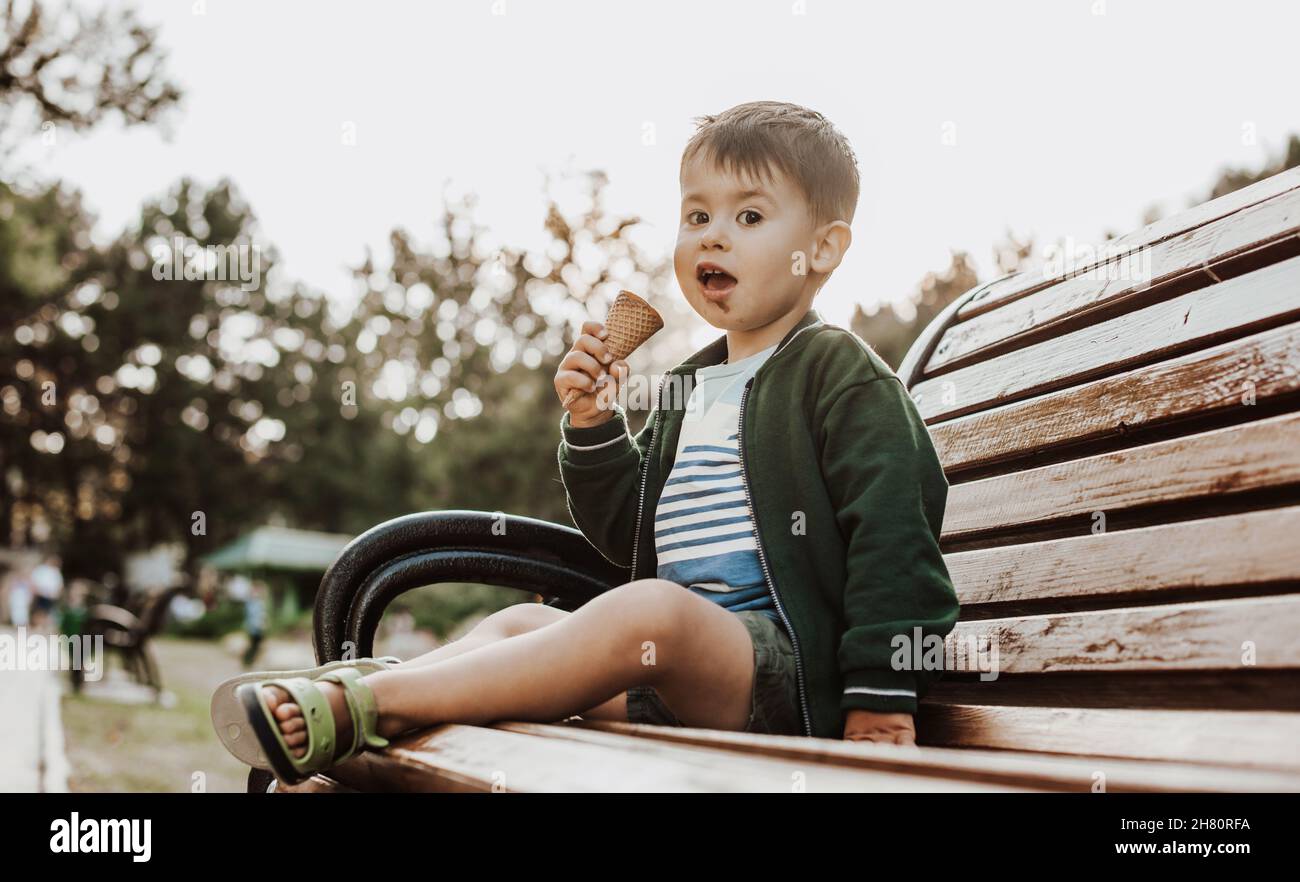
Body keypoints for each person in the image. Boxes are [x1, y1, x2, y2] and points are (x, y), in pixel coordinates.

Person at [222, 101, 960, 783]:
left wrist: (881, 701)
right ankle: (382, 689)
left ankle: (373, 704)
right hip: (668, 678)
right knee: (522, 623)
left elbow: (896, 540)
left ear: (824, 249)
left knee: (650, 612)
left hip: (791, 683)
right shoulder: (689, 387)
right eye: (697, 213)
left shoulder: (839, 374)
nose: (712, 233)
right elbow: (623, 532)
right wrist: (593, 424)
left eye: (750, 215)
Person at [29, 553, 63, 631]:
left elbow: (59, 585)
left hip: (50, 596)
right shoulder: (41, 569)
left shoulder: (56, 572)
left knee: (46, 611)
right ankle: (36, 625)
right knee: (38, 610)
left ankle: (41, 625)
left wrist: (57, 593)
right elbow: (34, 580)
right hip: (40, 594)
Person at [242, 581, 268, 667]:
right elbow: (253, 616)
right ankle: (247, 661)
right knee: (253, 645)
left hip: (258, 628)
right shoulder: (252, 603)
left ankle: (250, 662)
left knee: (256, 645)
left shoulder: (258, 602)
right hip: (254, 627)